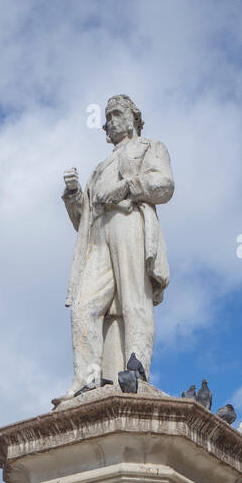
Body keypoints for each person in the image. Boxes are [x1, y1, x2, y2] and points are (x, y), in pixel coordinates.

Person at [61, 94, 174, 396]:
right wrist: (73, 194)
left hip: (129, 220)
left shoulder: (151, 147)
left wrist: (125, 187)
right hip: (97, 233)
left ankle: (137, 372)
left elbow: (164, 184)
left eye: (115, 114)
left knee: (134, 298)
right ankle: (87, 378)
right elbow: (81, 221)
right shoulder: (99, 167)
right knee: (84, 305)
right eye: (106, 117)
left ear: (133, 118)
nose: (108, 123)